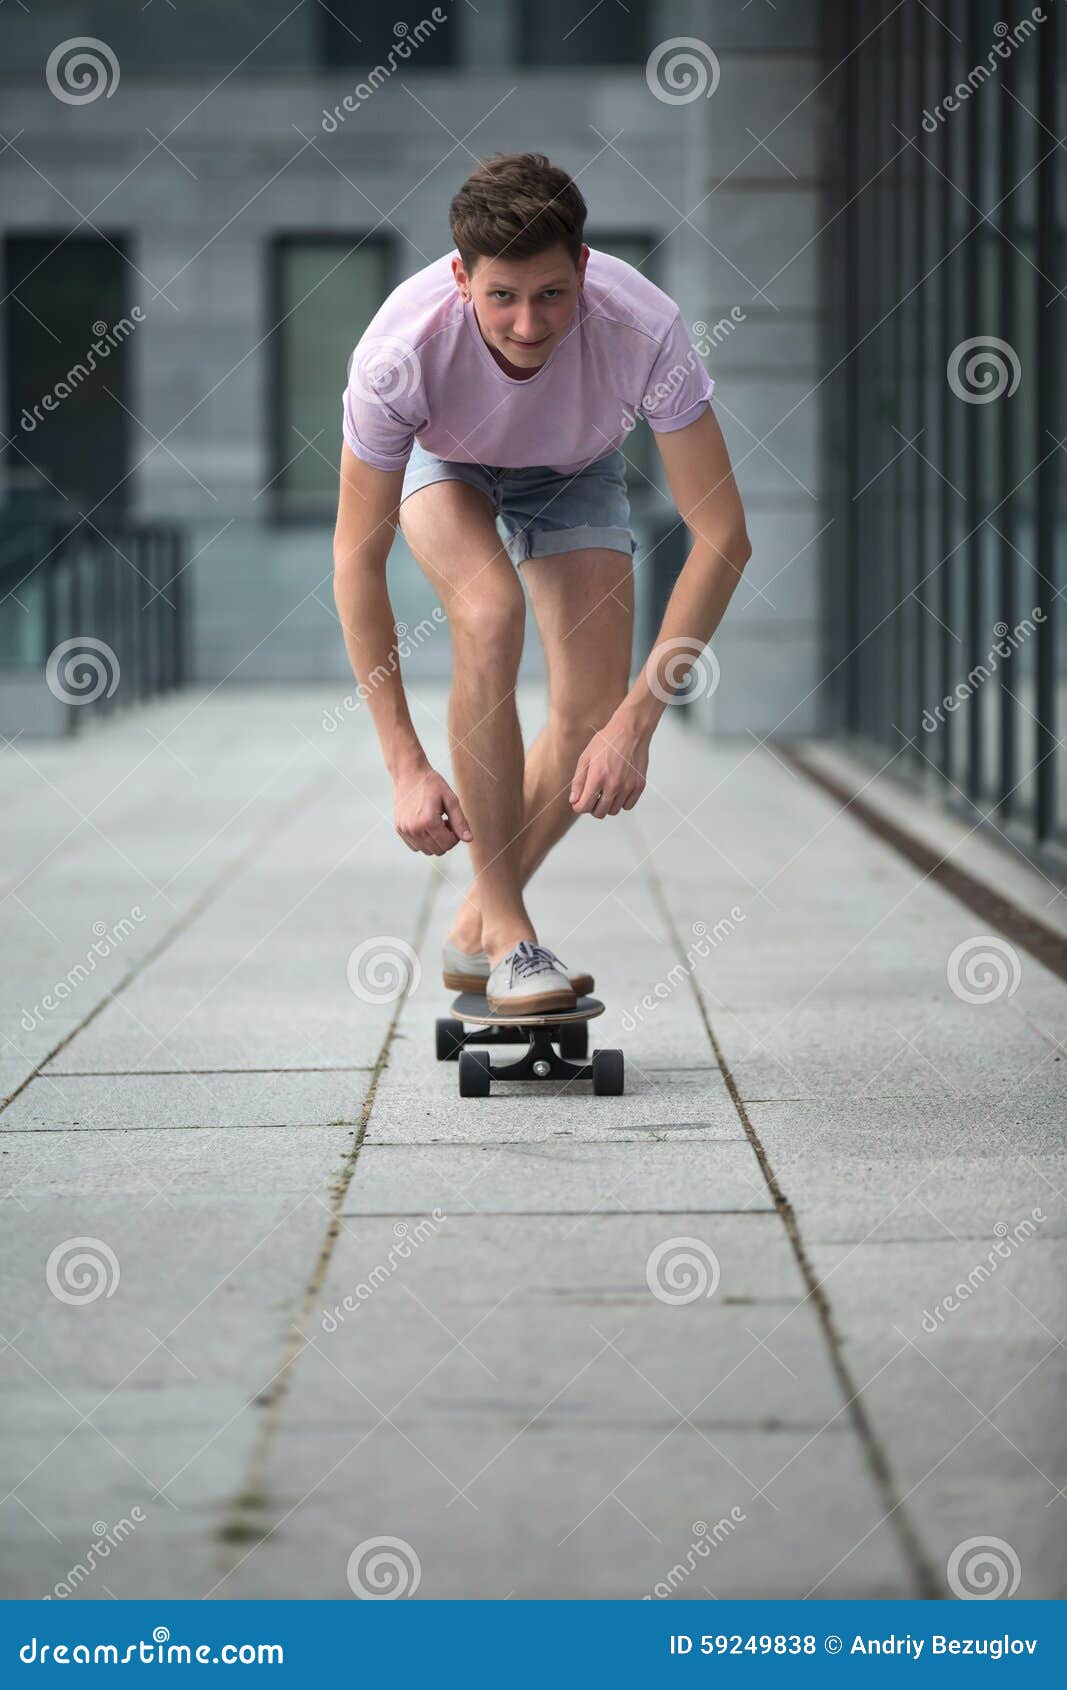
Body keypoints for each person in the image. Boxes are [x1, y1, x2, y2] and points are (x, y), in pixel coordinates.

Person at [333, 151, 750, 1015]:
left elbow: (723, 537)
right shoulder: (398, 355)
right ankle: (513, 938)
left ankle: (474, 928)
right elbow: (355, 558)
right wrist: (406, 767)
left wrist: (639, 721)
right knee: (489, 613)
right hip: (442, 458)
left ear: (584, 271)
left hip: (573, 465)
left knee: (588, 714)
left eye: (551, 294)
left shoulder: (645, 329)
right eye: (502, 297)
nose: (528, 324)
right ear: (460, 278)